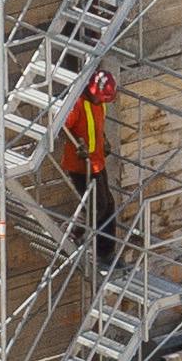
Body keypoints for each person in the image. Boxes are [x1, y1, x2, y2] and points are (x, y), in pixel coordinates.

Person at [56, 68, 118, 266]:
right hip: (81, 165)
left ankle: (106, 253)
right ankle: (70, 233)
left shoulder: (99, 102)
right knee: (96, 205)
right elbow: (61, 127)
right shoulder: (77, 103)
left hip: (97, 161)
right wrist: (77, 144)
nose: (101, 101)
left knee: (108, 205)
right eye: (99, 97)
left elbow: (96, 126)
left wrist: (104, 140)